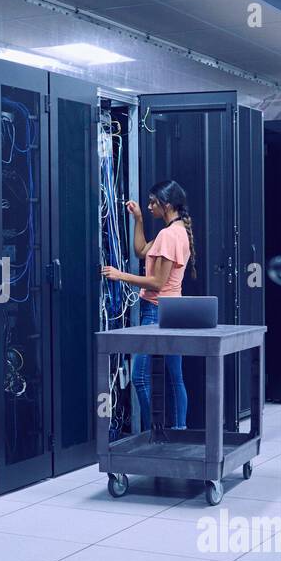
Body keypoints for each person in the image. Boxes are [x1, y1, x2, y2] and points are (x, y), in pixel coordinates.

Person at [100, 179, 195, 431]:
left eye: (153, 202)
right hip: (175, 311)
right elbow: (141, 250)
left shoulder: (168, 235)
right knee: (176, 378)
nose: (150, 206)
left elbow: (156, 282)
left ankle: (157, 433)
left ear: (166, 204)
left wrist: (120, 275)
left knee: (140, 377)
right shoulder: (177, 232)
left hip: (156, 311)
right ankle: (179, 432)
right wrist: (139, 220)